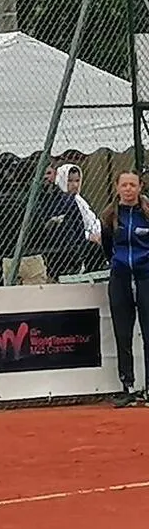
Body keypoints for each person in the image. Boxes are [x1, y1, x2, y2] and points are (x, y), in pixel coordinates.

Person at [100, 171, 149, 407]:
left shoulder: (147, 214)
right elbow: (107, 248)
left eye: (133, 185)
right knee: (123, 333)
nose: (128, 189)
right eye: (124, 185)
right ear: (117, 187)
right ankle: (127, 387)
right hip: (120, 279)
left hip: (146, 278)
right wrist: (119, 265)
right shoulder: (110, 216)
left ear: (140, 187)